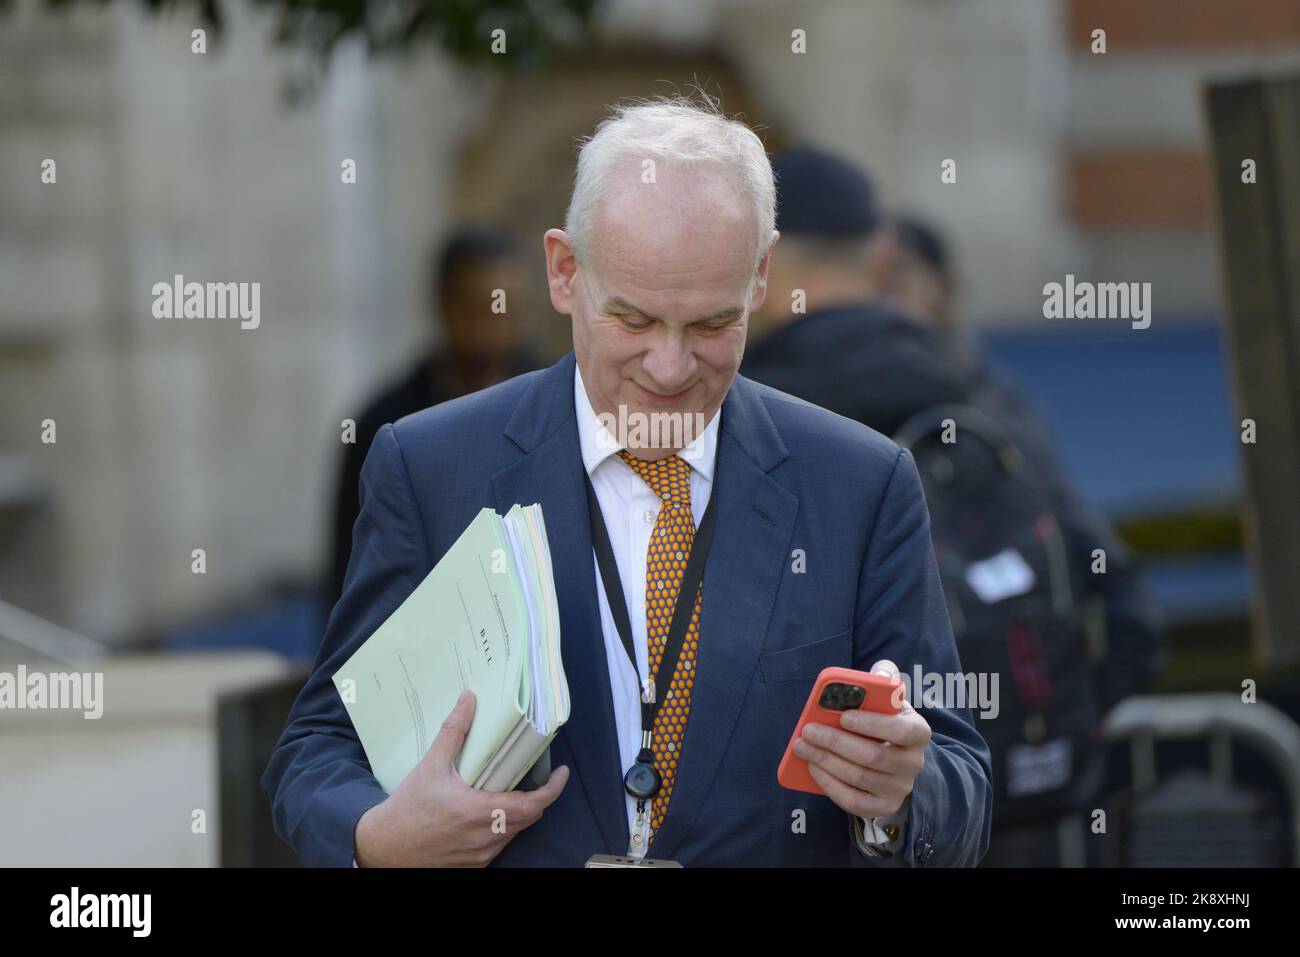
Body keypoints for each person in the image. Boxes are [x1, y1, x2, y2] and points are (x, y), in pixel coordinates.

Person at [263, 97, 992, 867]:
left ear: (761, 277)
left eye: (712, 325)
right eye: (635, 321)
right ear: (563, 271)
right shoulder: (430, 466)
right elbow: (317, 747)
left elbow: (960, 784)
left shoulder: (862, 485)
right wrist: (377, 838)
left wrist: (900, 798)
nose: (671, 369)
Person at [742, 147, 1167, 866]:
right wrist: (1041, 737)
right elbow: (1131, 617)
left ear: (758, 263)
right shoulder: (983, 400)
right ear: (879, 253)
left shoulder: (745, 420)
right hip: (1016, 826)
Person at [327, 228, 537, 607]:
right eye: (473, 309)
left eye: (503, 310)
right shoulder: (384, 425)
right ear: (442, 303)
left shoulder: (552, 413)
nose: (488, 331)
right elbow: (349, 578)